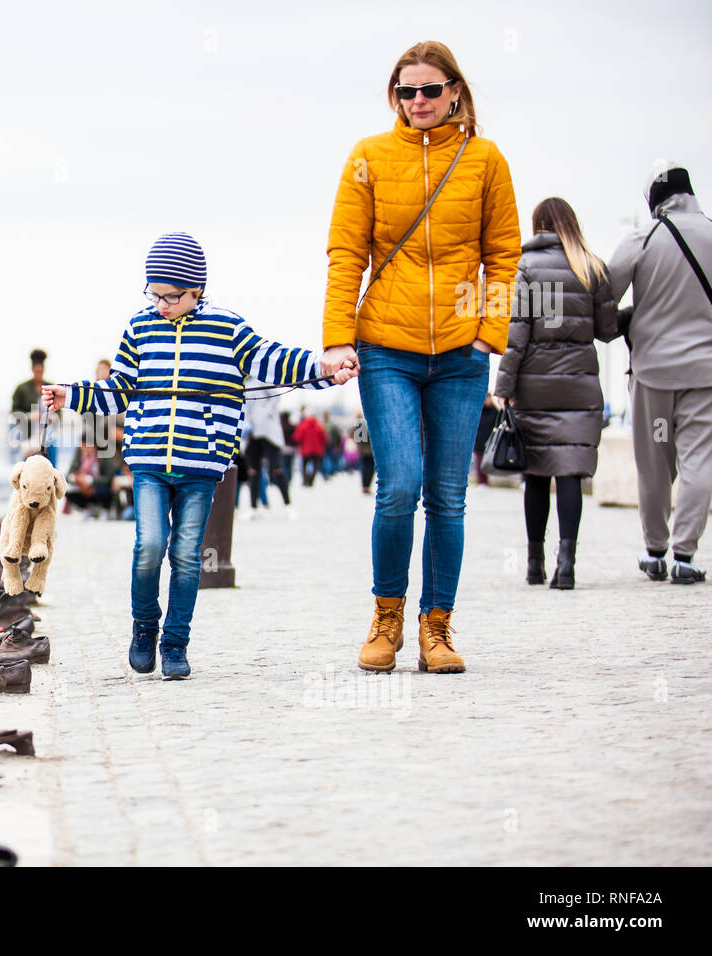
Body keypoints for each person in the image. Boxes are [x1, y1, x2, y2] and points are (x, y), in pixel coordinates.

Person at [42, 232, 351, 680]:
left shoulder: (228, 328)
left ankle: (175, 644)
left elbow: (271, 359)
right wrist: (70, 394)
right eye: (155, 294)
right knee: (149, 546)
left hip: (202, 463)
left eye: (172, 296)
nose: (162, 304)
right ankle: (144, 628)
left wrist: (323, 369)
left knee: (187, 555)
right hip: (148, 459)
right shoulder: (139, 327)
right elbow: (119, 390)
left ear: (198, 290)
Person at [321, 40, 520, 674]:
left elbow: (504, 255)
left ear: (455, 91)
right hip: (387, 349)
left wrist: (491, 332)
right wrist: (337, 338)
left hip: (462, 355)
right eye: (407, 91)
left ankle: (438, 628)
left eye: (430, 90)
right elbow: (345, 254)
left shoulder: (486, 160)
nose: (418, 102)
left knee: (448, 496)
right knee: (398, 487)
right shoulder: (369, 157)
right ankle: (386, 618)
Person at [494, 198, 618, 589]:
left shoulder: (526, 267)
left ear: (538, 226)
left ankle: (534, 563)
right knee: (569, 471)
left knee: (535, 472)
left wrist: (504, 386)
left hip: (536, 382)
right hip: (580, 382)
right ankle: (567, 564)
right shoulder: (592, 266)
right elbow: (607, 329)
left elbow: (518, 334)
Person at [609, 164, 712, 585]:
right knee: (699, 461)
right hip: (705, 376)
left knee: (655, 461)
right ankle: (685, 556)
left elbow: (605, 294)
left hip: (653, 376)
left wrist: (620, 325)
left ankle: (654, 551)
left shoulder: (644, 238)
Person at [244, 387, 290, 508]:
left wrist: (265, 412)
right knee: (253, 471)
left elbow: (275, 396)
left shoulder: (263, 377)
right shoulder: (245, 381)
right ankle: (253, 507)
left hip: (269, 432)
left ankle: (288, 504)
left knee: (277, 468)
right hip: (252, 431)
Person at [11, 349, 57, 466]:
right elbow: (14, 413)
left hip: (48, 438)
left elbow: (58, 412)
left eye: (41, 371)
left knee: (50, 469)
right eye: (37, 371)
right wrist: (29, 416)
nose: (39, 374)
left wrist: (52, 417)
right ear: (32, 369)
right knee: (27, 471)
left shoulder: (51, 387)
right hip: (28, 437)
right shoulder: (21, 389)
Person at [292, 410, 327, 487]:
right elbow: (324, 437)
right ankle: (311, 481)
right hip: (316, 449)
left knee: (304, 465)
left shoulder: (303, 425)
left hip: (306, 449)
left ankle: (305, 480)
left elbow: (297, 437)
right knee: (315, 465)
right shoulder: (319, 425)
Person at [352, 409, 374, 494]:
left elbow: (357, 438)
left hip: (363, 451)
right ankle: (367, 486)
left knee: (364, 468)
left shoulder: (358, 424)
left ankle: (364, 486)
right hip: (371, 450)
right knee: (370, 468)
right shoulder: (368, 423)